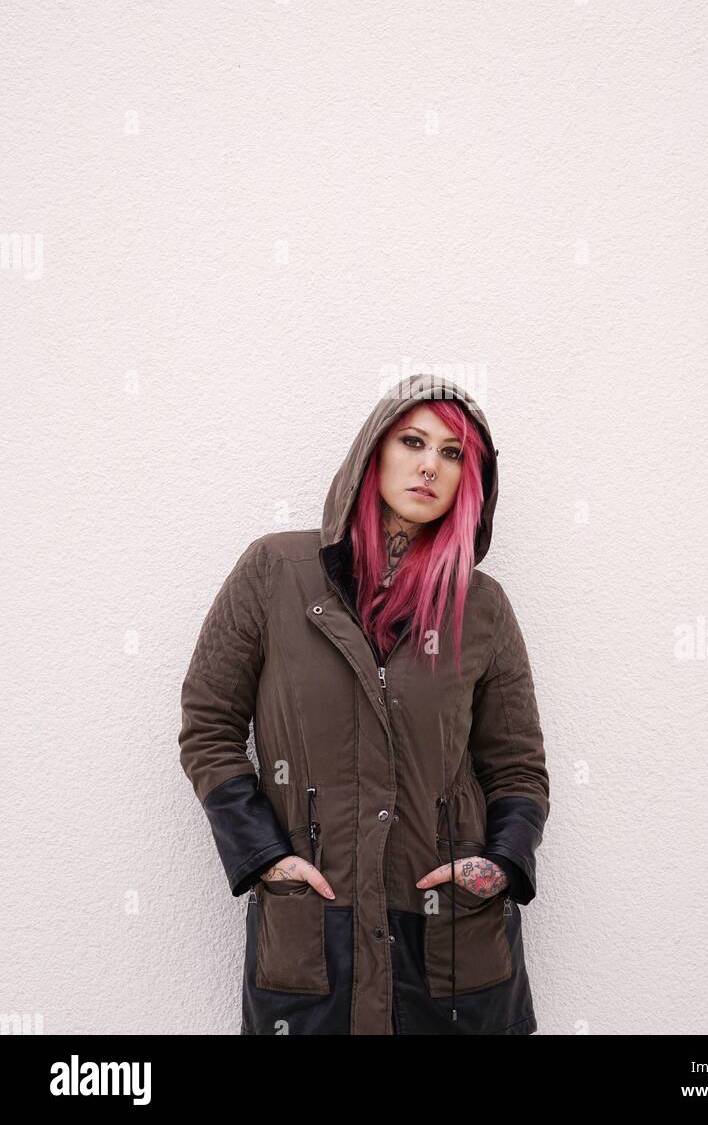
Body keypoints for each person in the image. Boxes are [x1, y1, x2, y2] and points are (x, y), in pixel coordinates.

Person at [178, 371, 550, 1035]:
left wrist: (499, 864)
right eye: (413, 441)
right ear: (373, 452)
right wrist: (265, 855)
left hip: (450, 935)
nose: (429, 465)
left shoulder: (482, 608)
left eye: (452, 453)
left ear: (470, 482)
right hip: (314, 925)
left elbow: (517, 767)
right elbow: (208, 726)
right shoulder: (274, 575)